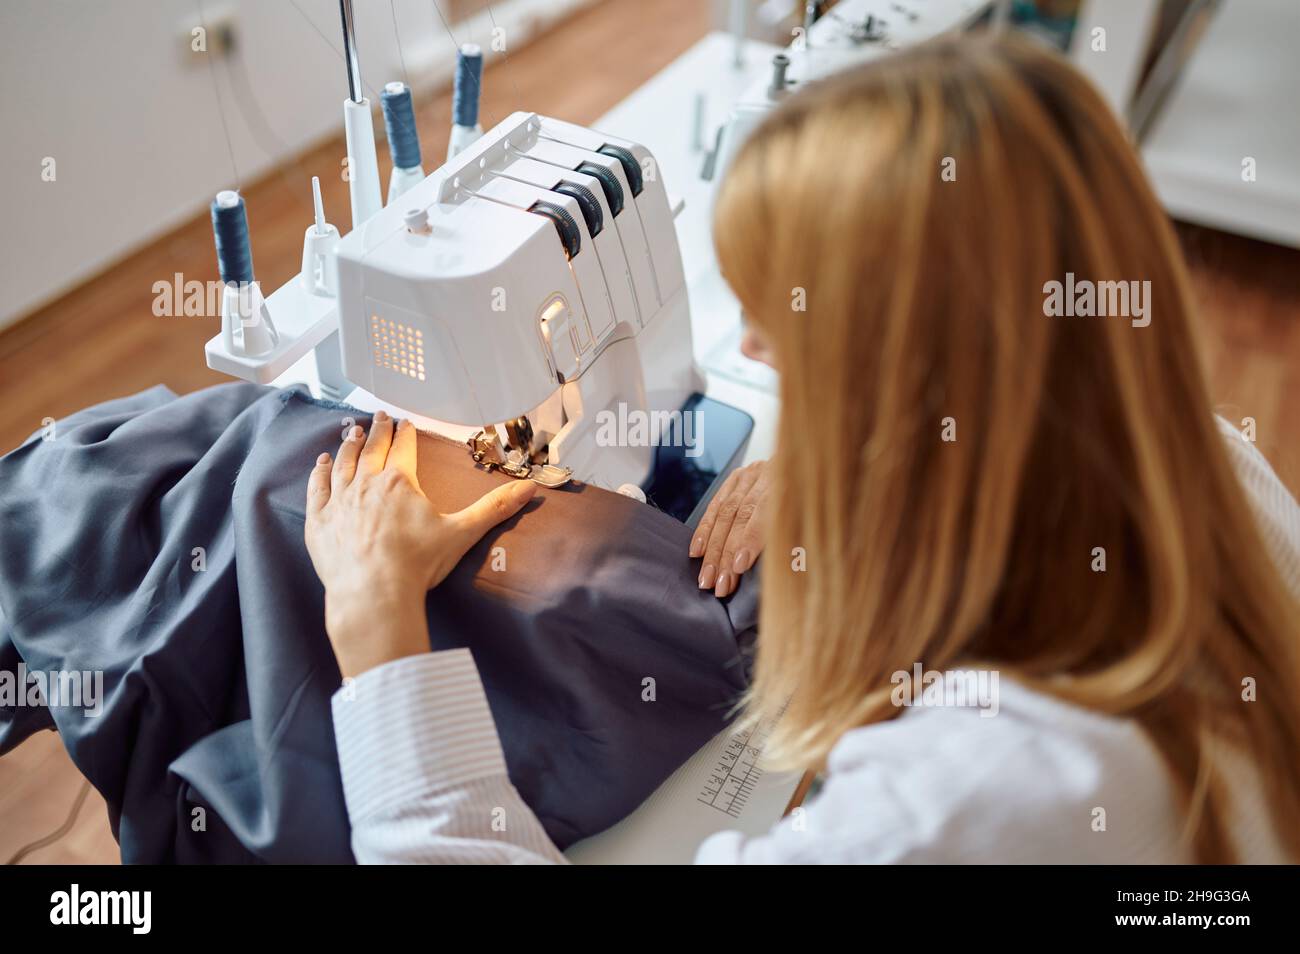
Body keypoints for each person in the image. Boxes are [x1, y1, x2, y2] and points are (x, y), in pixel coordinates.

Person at [303, 33, 1300, 863]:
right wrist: (887, 465)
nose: (748, 346)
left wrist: (376, 623)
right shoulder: (1209, 469)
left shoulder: (955, 809)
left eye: (784, 309)